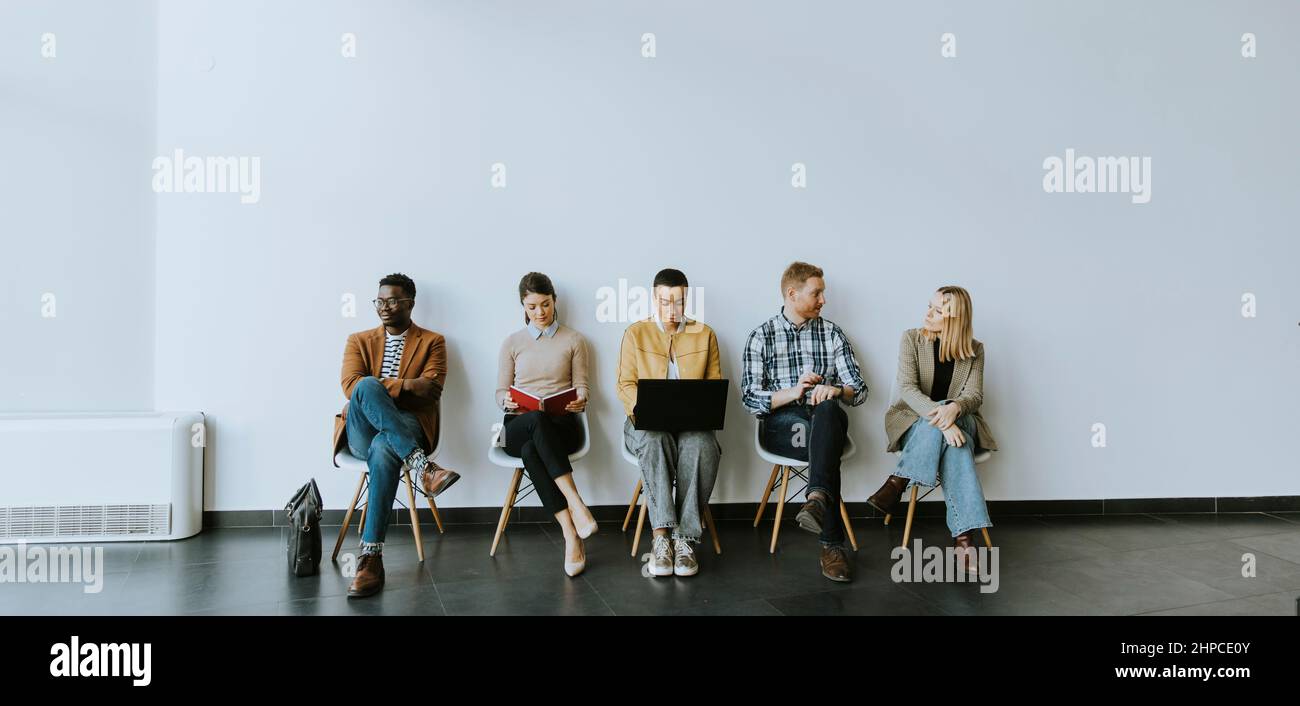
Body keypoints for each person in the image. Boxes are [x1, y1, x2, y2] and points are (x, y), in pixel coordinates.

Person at [332, 273, 460, 598]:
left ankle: (370, 558)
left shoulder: (433, 342)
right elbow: (351, 387)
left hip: (407, 426)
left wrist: (385, 390)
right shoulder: (358, 340)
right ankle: (424, 467)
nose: (384, 307)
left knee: (383, 446)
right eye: (379, 301)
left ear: (410, 303)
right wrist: (404, 386)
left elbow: (430, 393)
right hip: (362, 429)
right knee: (366, 386)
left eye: (392, 301)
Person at [741, 261, 867, 583]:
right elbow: (750, 398)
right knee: (825, 441)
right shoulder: (761, 336)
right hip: (782, 426)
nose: (823, 300)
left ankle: (815, 500)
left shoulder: (832, 333)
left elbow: (859, 390)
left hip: (824, 420)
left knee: (826, 413)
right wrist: (794, 392)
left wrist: (833, 389)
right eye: (817, 293)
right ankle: (831, 544)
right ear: (792, 293)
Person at [868, 286, 997, 575]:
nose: (928, 313)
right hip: (912, 420)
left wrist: (955, 409)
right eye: (929, 306)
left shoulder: (975, 350)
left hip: (960, 421)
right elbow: (908, 389)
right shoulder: (911, 339)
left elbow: (974, 396)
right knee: (955, 444)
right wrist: (944, 419)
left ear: (955, 318)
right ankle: (964, 540)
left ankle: (898, 482)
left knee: (955, 435)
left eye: (938, 310)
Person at [618, 268, 722, 578]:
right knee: (654, 439)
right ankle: (662, 537)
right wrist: (643, 407)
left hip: (691, 425)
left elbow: (713, 386)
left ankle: (685, 539)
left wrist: (701, 411)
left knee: (703, 444)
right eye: (665, 302)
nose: (672, 311)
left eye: (679, 302)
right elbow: (625, 385)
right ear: (655, 299)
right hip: (646, 425)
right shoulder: (636, 333)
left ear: (687, 299)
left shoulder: (705, 334)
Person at [496, 272, 597, 577]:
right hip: (515, 425)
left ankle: (570, 534)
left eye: (545, 304)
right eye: (532, 307)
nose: (539, 312)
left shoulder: (575, 339)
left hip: (561, 426)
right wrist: (506, 401)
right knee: (532, 424)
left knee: (531, 450)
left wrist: (580, 399)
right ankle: (576, 503)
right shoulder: (512, 342)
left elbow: (582, 386)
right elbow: (500, 391)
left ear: (554, 301)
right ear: (522, 306)